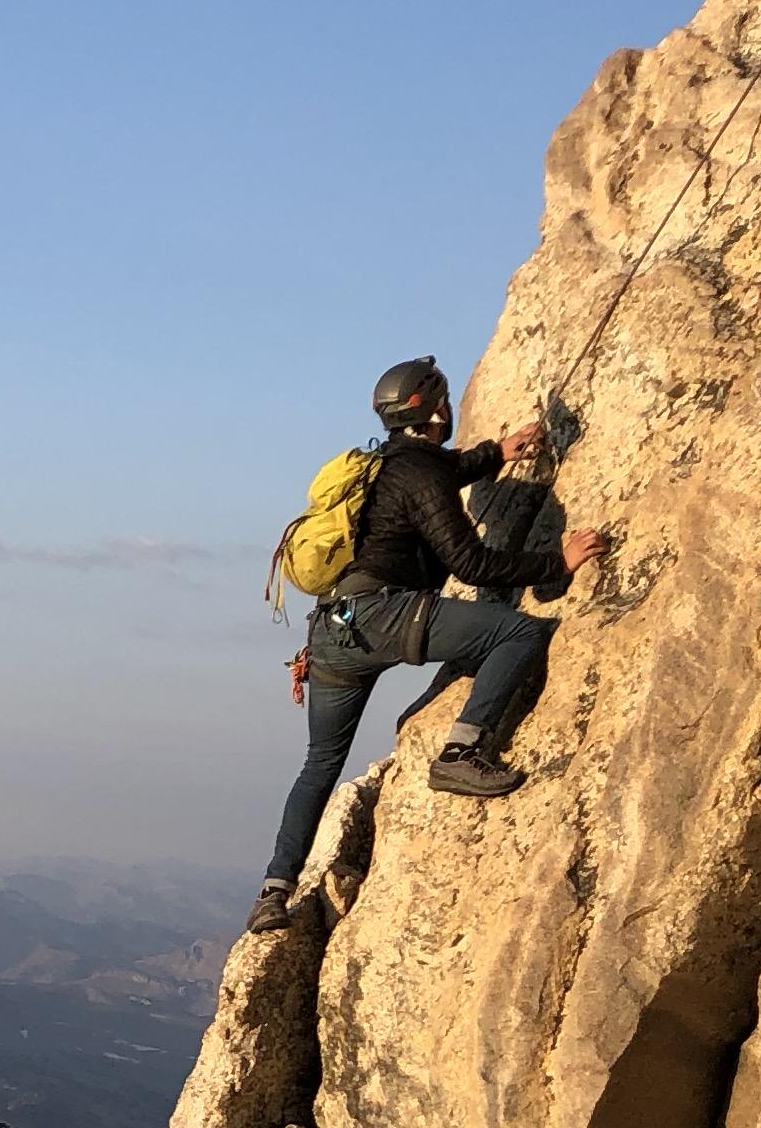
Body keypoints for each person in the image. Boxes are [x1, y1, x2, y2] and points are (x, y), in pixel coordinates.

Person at [248, 356, 610, 935]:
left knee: (319, 764)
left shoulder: (382, 465)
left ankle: (274, 890)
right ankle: (460, 754)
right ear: (438, 407)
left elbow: (435, 479)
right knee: (518, 632)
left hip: (333, 631)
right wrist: (555, 561)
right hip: (388, 616)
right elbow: (471, 560)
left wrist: (496, 452)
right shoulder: (424, 472)